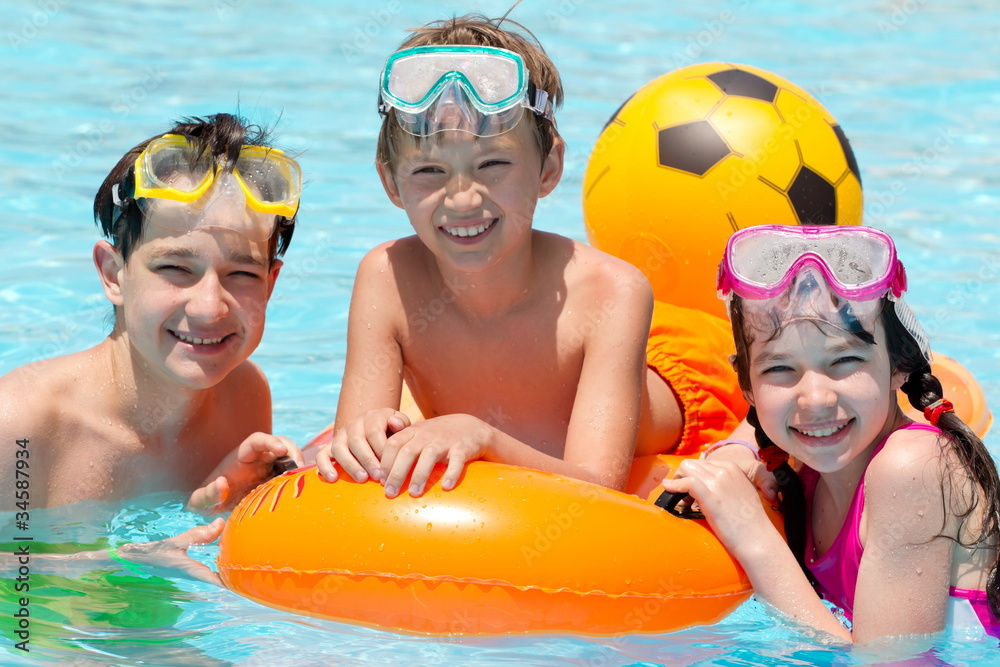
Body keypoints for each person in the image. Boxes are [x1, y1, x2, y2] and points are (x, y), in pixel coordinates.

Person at [314, 14, 661, 497]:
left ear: (550, 167)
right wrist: (362, 437)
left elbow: (600, 488)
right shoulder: (387, 277)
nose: (462, 199)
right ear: (391, 182)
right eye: (430, 171)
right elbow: (356, 467)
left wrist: (485, 437)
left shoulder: (611, 293)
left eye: (493, 164)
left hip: (673, 383)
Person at [661, 225, 1000, 641]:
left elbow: (887, 662)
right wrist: (731, 455)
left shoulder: (912, 466)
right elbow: (753, 429)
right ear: (748, 386)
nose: (815, 399)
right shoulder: (806, 456)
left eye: (844, 361)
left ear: (899, 365)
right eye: (780, 369)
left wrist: (752, 533)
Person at [0, 113, 304, 513]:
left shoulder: (243, 394)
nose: (209, 307)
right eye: (175, 268)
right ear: (113, 274)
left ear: (270, 285)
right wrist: (143, 559)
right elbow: (18, 572)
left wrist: (207, 515)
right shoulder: (22, 427)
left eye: (243, 273)